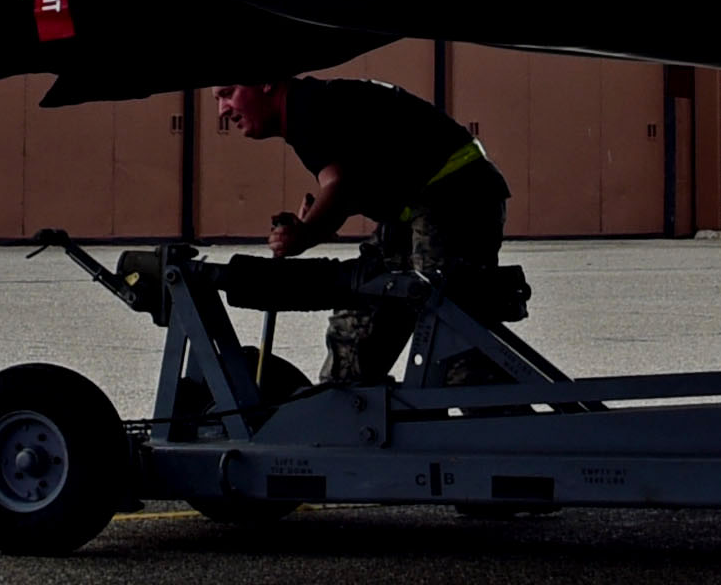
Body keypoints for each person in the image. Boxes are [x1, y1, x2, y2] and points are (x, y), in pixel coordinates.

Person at [215, 74, 511, 387]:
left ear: (267, 81)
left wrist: (306, 234)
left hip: (455, 198)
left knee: (451, 336)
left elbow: (340, 187)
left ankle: (504, 425)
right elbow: (355, 184)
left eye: (228, 92)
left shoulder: (305, 107)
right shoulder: (315, 105)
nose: (223, 109)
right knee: (359, 327)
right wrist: (317, 220)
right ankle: (348, 412)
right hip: (418, 209)